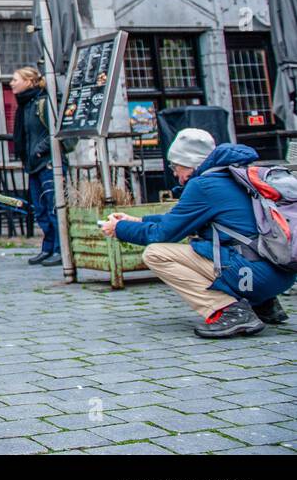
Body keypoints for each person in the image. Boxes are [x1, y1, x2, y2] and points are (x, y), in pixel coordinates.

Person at [100, 128, 293, 338]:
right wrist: (138, 221)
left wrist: (119, 229)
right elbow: (181, 221)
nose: (174, 173)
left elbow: (161, 235)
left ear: (190, 162)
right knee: (229, 245)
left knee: (156, 253)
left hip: (254, 276)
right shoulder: (233, 175)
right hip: (280, 273)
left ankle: (228, 310)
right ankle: (263, 303)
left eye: (176, 166)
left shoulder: (203, 186)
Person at [10, 66, 62, 267]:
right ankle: (48, 248)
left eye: (16, 79)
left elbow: (56, 130)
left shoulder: (44, 103)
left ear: (29, 81)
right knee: (40, 209)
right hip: (33, 164)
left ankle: (59, 249)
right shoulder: (25, 105)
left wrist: (40, 150)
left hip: (48, 163)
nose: (12, 83)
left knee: (53, 208)